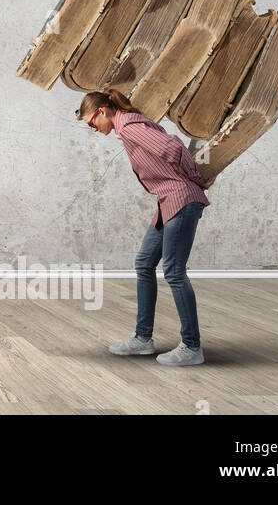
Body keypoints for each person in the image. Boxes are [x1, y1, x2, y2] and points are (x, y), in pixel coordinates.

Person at [77, 88, 214, 366]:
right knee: (144, 263)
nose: (94, 130)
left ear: (102, 111)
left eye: (92, 124)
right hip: (168, 201)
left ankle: (191, 346)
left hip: (181, 198)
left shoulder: (127, 126)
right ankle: (142, 339)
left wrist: (195, 178)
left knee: (174, 272)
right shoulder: (127, 125)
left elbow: (173, 147)